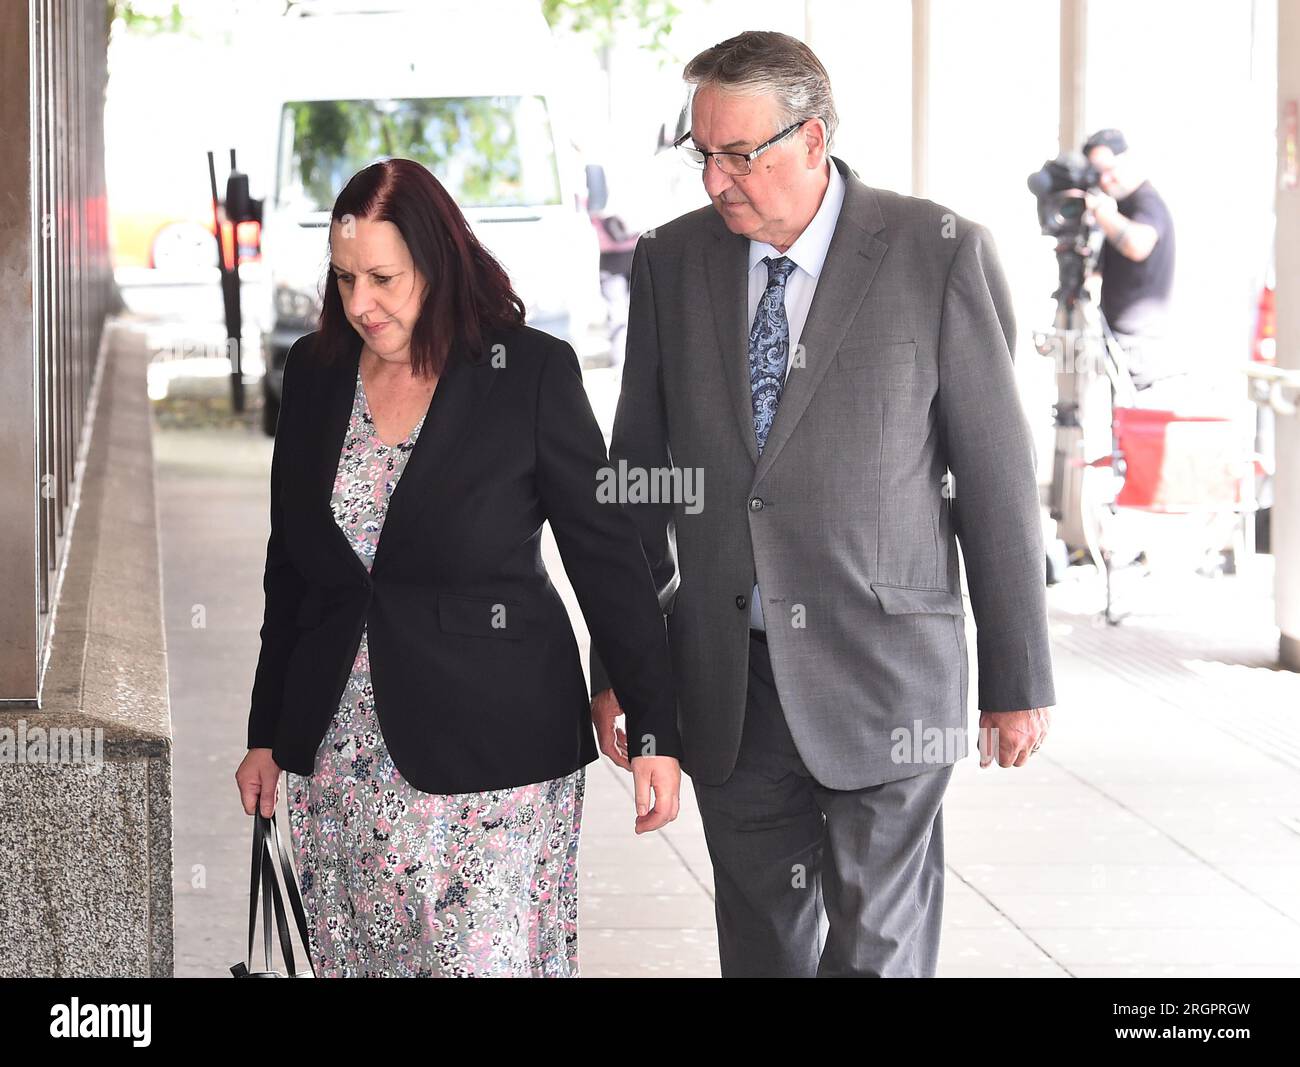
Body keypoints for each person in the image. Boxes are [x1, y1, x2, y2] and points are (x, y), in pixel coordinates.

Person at [588, 31, 1055, 977]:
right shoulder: (672, 264)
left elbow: (996, 476)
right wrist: (626, 668)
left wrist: (1017, 676)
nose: (715, 179)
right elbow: (638, 481)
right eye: (701, 152)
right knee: (763, 952)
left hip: (887, 677)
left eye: (738, 154)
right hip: (731, 684)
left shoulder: (935, 252)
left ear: (813, 137)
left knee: (877, 950)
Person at [234, 158, 681, 978]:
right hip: (342, 767)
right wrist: (267, 732)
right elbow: (290, 573)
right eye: (342, 280)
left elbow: (606, 554)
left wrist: (654, 723)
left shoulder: (530, 372)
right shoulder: (315, 374)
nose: (360, 303)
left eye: (383, 278)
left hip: (495, 767)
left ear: (437, 265)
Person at [1082, 128, 1179, 399]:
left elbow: (1137, 245)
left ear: (1127, 159)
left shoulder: (1146, 202)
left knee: (1136, 430)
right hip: (1119, 340)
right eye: (1097, 173)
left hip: (1141, 346)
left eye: (1109, 168)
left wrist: (1100, 212)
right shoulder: (1119, 205)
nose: (1105, 179)